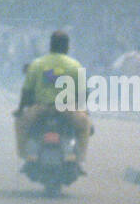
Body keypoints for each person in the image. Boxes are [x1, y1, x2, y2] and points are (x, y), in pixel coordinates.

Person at [14, 30, 93, 164]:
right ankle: (80, 157)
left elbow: (26, 91)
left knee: (20, 124)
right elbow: (84, 92)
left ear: (50, 45)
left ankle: (23, 154)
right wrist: (83, 110)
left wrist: (20, 110)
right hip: (67, 109)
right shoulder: (74, 65)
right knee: (85, 125)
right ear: (67, 46)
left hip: (41, 108)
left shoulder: (37, 64)